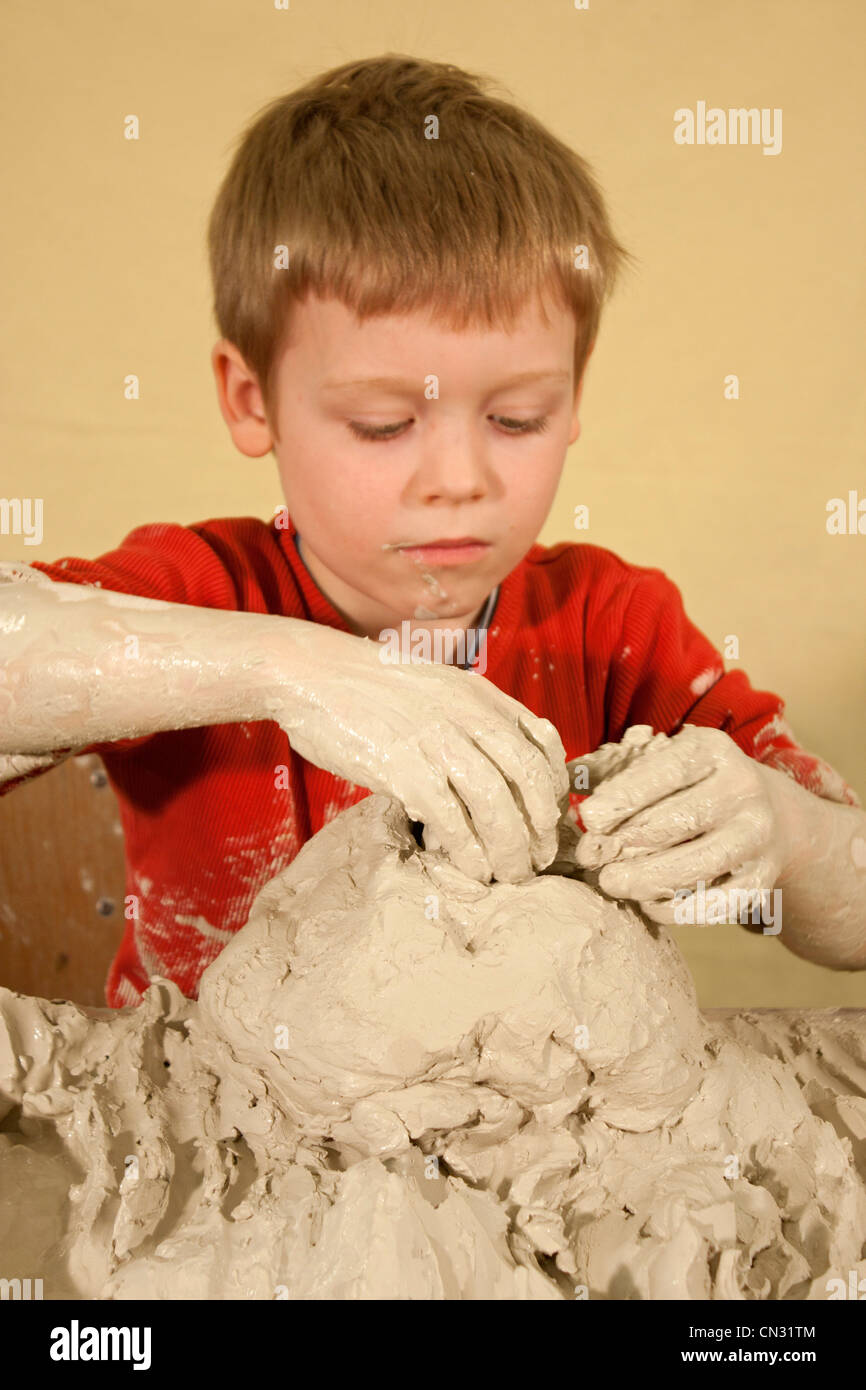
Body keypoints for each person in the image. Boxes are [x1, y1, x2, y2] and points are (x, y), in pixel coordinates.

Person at [1, 55, 863, 1008]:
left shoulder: (614, 628)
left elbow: (855, 919)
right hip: (218, 1116)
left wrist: (787, 836)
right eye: (384, 424)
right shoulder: (202, 591)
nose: (459, 481)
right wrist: (298, 672)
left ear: (574, 399)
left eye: (518, 418)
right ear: (253, 402)